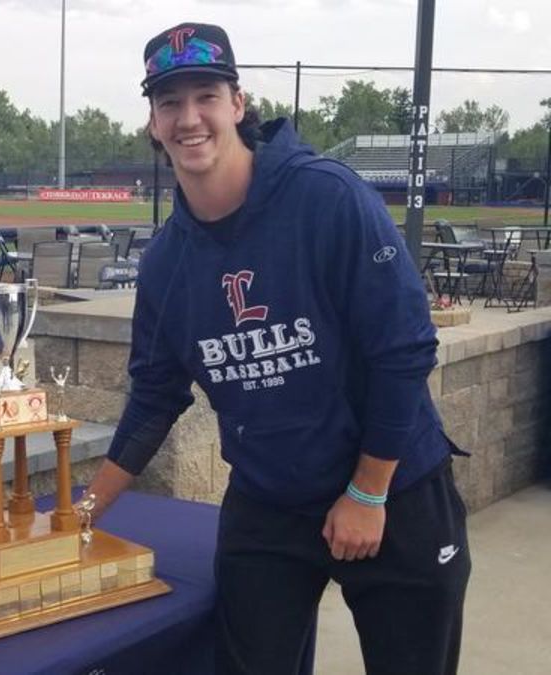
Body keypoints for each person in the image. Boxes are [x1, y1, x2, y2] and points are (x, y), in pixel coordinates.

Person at [83, 22, 471, 675]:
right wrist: (82, 512)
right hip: (271, 501)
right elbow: (154, 396)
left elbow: (403, 347)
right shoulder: (167, 263)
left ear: (238, 103)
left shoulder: (326, 195)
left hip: (394, 486)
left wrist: (369, 492)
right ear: (152, 122)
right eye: (170, 102)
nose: (189, 117)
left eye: (205, 95)